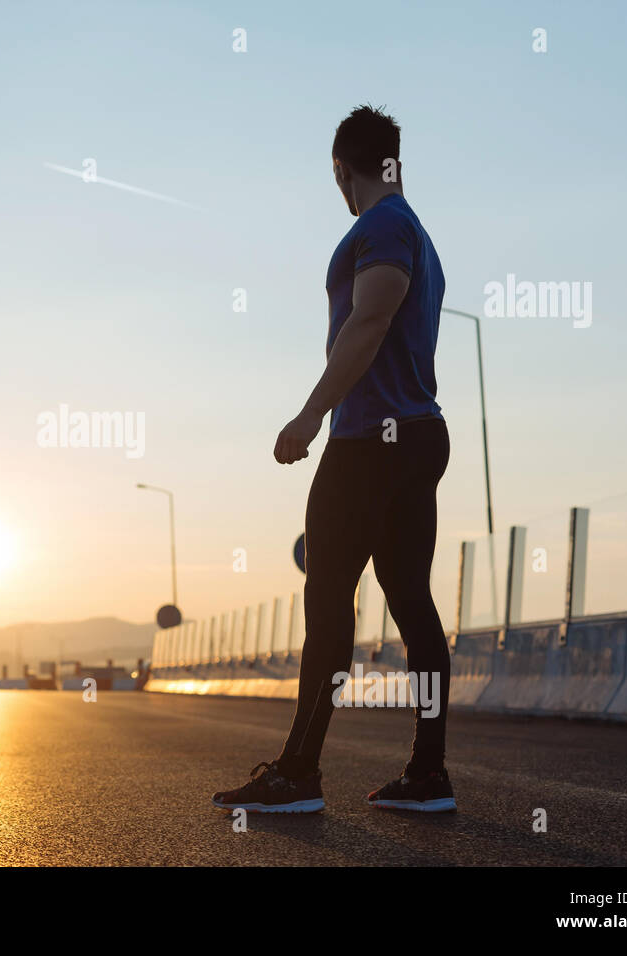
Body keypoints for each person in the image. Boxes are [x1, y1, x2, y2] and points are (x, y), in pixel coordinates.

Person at [213, 105, 455, 814]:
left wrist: (310, 412)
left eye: (338, 180)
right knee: (411, 600)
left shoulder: (380, 227)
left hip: (370, 440)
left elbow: (371, 319)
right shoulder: (418, 233)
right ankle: (429, 772)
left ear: (342, 171)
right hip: (417, 434)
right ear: (396, 162)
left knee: (328, 604)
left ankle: (298, 774)